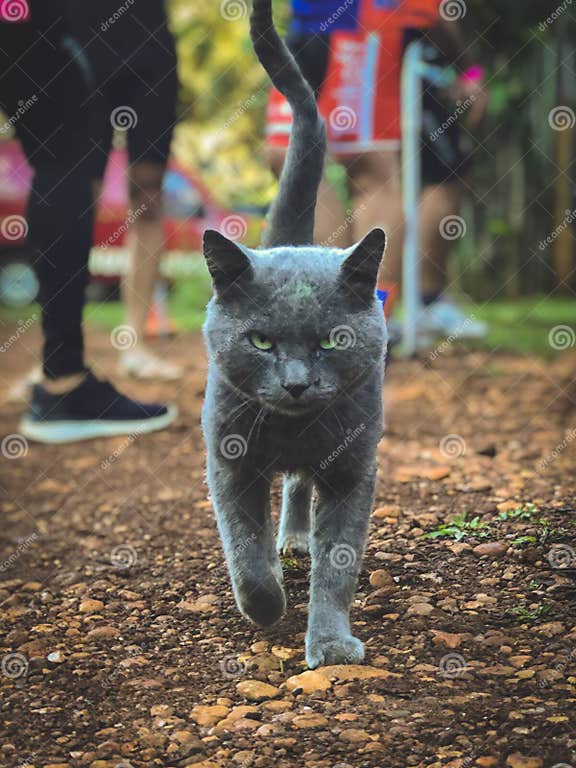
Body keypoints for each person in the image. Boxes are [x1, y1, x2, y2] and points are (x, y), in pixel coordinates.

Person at [0, 1, 178, 443]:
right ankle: (61, 377)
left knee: (64, 165)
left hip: (135, 36)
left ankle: (74, 367)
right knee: (69, 168)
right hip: (61, 25)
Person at [265, 0, 488, 339]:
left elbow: (431, 11)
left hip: (362, 26)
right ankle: (337, 310)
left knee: (371, 173)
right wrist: (466, 69)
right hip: (306, 29)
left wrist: (467, 71)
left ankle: (369, 319)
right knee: (289, 161)